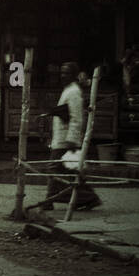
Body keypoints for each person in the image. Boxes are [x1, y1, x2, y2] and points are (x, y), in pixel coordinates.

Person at [44, 61, 101, 210]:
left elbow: (76, 117)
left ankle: (51, 200)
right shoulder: (68, 90)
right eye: (62, 73)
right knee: (67, 170)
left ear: (74, 75)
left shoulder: (74, 92)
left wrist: (72, 140)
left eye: (67, 73)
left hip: (66, 140)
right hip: (61, 138)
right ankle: (87, 198)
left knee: (54, 169)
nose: (63, 76)